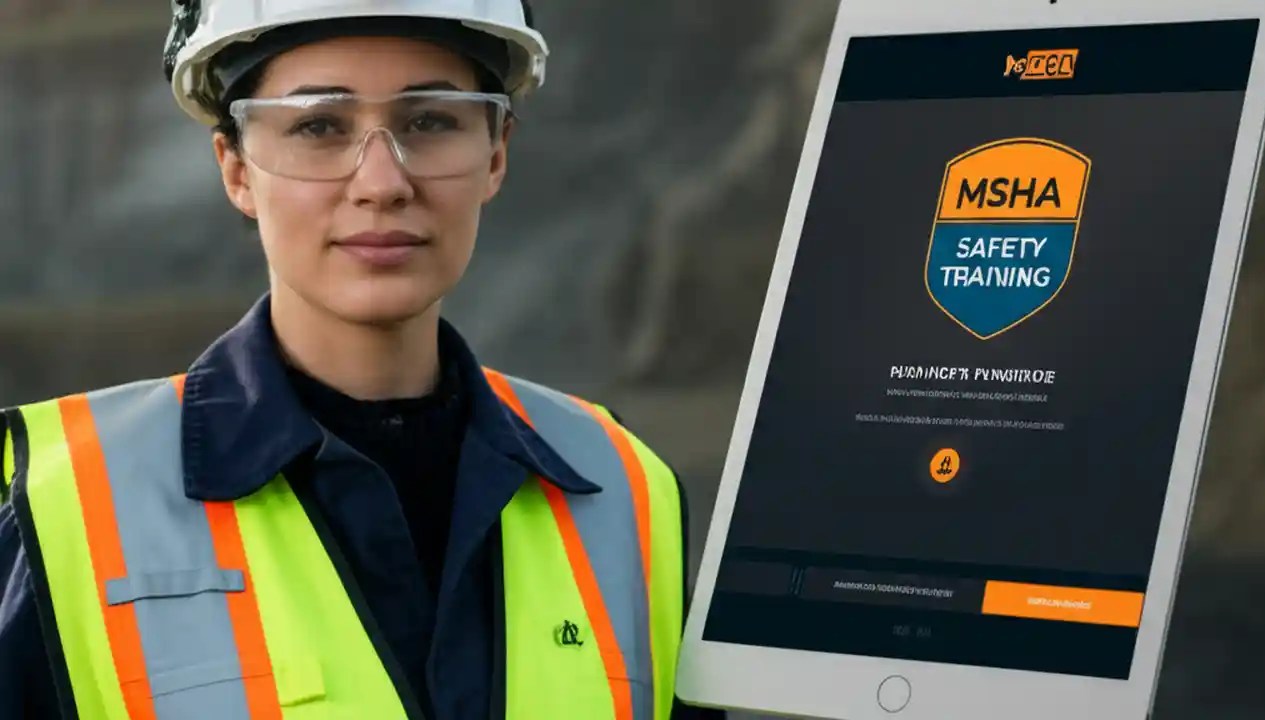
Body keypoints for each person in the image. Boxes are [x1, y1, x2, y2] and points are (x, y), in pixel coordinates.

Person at [0, 1, 725, 718]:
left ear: (497, 153)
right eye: (320, 125)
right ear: (236, 168)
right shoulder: (62, 510)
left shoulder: (622, 487)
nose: (382, 183)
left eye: (430, 121)